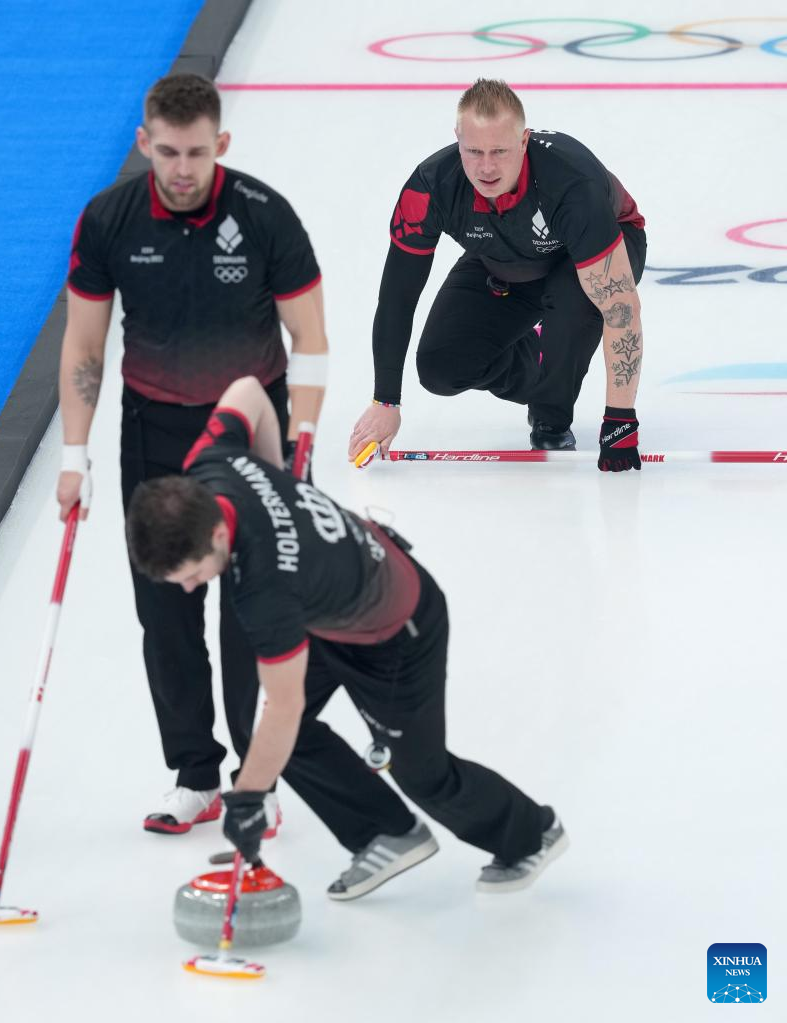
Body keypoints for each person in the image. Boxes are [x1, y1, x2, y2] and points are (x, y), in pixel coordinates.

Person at [125, 375, 568, 898]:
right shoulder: (210, 465)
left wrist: (245, 799)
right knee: (269, 733)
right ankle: (385, 831)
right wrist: (277, 478)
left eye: (194, 574)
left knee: (423, 776)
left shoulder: (263, 586)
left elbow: (284, 705)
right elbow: (246, 389)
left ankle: (531, 832)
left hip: (399, 630)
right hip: (335, 606)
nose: (193, 586)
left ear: (219, 535)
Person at [56, 73, 328, 833]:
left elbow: (309, 340)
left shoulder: (266, 216)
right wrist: (73, 455)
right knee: (165, 611)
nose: (181, 169)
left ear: (222, 146)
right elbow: (84, 344)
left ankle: (257, 776)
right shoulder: (108, 219)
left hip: (251, 434)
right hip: (155, 433)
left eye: (197, 154)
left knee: (252, 611)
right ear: (143, 143)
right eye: (167, 152)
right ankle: (195, 774)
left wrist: (299, 450)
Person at [348, 78, 647, 471]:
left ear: (523, 142)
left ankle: (551, 411)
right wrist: (385, 401)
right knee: (441, 367)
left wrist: (620, 420)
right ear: (457, 139)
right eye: (474, 151)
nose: (487, 167)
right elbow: (397, 298)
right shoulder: (430, 186)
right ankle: (543, 363)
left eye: (500, 151)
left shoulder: (571, 184)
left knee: (571, 311)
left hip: (596, 249)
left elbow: (620, 309)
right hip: (504, 258)